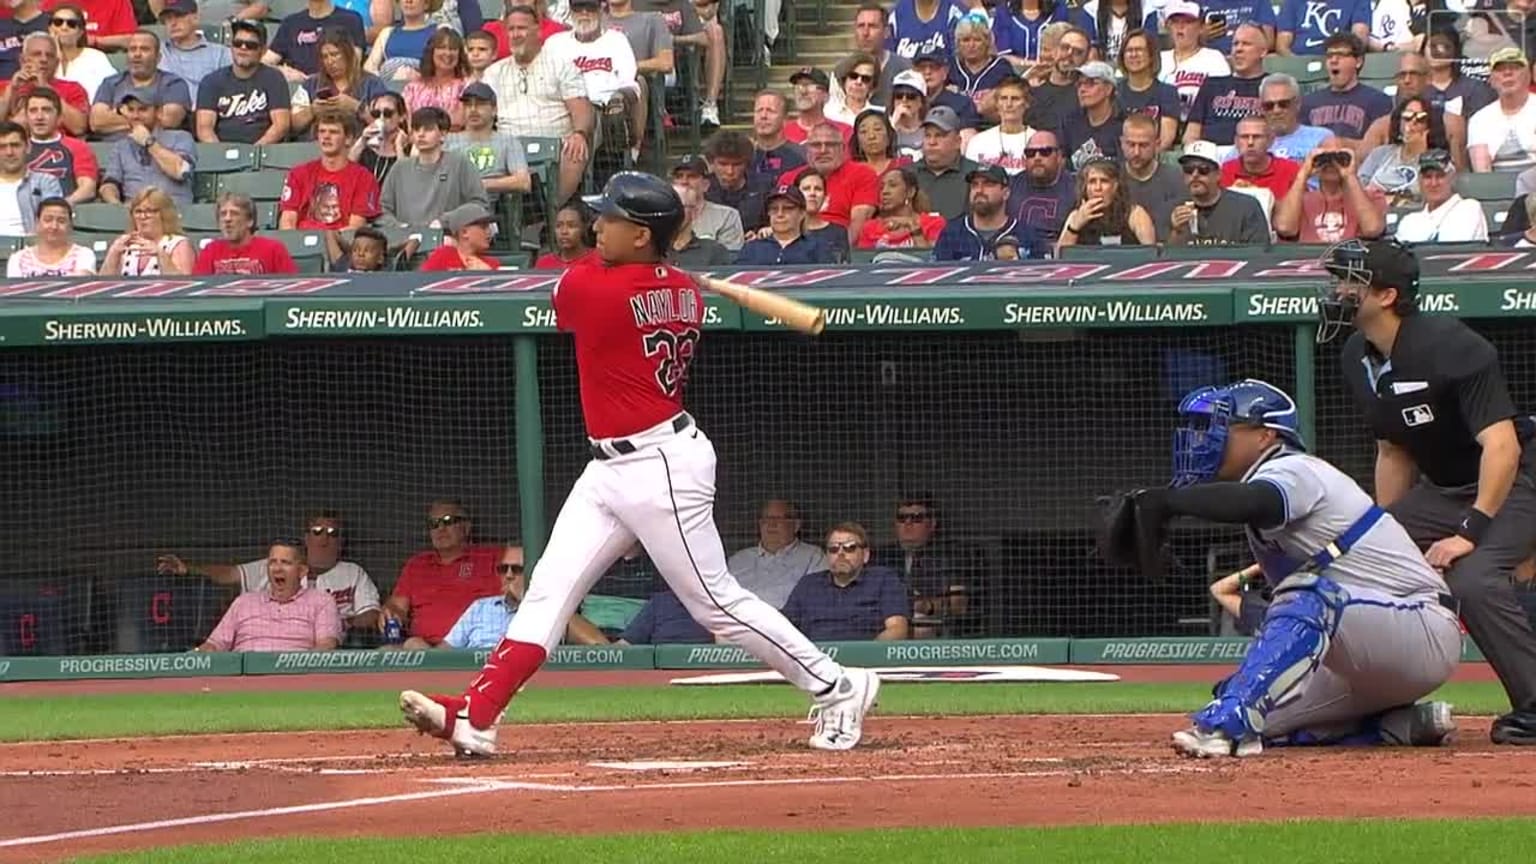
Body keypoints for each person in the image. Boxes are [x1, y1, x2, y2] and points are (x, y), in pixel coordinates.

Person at [398, 172, 880, 757]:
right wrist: (660, 269)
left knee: (716, 602)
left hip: (660, 465)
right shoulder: (685, 290)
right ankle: (477, 714)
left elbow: (572, 289)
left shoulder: (595, 289)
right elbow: (644, 281)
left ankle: (838, 684)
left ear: (644, 236)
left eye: (611, 220)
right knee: (548, 589)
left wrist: (649, 269)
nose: (596, 227)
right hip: (611, 465)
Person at [1132, 379, 1460, 758]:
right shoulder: (1267, 477)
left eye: (1222, 427)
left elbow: (1258, 502)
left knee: (1306, 594)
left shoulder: (1297, 468)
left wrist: (1170, 502)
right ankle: (1394, 726)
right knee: (1246, 694)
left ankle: (1228, 727)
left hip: (1419, 628)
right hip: (1356, 652)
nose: (1205, 439)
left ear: (1266, 435)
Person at [1319, 238, 1536, 746]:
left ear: (1387, 294)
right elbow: (1393, 453)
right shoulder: (1357, 354)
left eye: (1350, 281)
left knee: (1475, 579)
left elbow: (1501, 446)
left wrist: (1469, 533)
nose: (1337, 290)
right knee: (1354, 558)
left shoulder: (1451, 345)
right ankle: (1366, 700)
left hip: (1518, 473)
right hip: (1446, 487)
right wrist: (1381, 538)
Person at [154, 509, 380, 633]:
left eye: (332, 532)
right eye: (317, 530)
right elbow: (229, 574)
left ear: (341, 542)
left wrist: (338, 623)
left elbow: (371, 614)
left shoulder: (353, 572)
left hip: (333, 642)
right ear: (306, 537)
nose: (324, 538)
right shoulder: (277, 565)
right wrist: (188, 568)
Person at [440, 546, 609, 649]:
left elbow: (601, 647)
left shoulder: (549, 609)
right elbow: (444, 652)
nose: (508, 575)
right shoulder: (480, 607)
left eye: (516, 569)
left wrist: (528, 600)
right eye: (503, 569)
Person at [195, 540, 343, 653]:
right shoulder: (244, 602)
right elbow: (215, 644)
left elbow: (326, 646)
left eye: (285, 563)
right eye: (273, 562)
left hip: (295, 678)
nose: (277, 568)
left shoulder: (321, 601)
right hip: (244, 679)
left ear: (302, 571)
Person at [378, 105, 486, 228]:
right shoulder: (400, 168)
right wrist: (400, 227)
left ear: (443, 134)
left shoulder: (459, 163)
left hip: (447, 238)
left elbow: (479, 206)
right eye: (416, 129)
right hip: (405, 241)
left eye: (428, 129)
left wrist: (444, 222)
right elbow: (382, 210)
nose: (421, 134)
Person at [279, 109, 380, 230]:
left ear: (348, 139)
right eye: (322, 131)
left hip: (341, 244)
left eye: (333, 132)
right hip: (302, 243)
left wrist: (328, 240)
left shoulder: (364, 178)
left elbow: (355, 226)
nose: (326, 136)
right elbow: (287, 220)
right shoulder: (298, 174)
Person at [195, 20, 291, 144]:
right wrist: (221, 154)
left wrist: (254, 153)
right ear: (231, 47)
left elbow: (281, 126)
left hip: (263, 152)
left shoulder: (274, 79)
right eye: (238, 43)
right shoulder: (211, 81)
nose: (243, 48)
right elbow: (204, 129)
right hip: (222, 153)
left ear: (263, 50)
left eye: (251, 45)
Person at [1273, 139, 1386, 244]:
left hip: (1350, 261)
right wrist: (1304, 173)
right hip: (1309, 261)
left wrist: (1350, 176)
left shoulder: (1372, 197)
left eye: (1340, 158)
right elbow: (1285, 228)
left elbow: (1372, 230)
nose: (1332, 164)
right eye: (1324, 158)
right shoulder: (1298, 200)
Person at [99, 88, 196, 206]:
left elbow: (181, 171)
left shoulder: (181, 137)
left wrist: (149, 142)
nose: (135, 116)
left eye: (142, 109)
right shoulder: (121, 146)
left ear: (159, 112)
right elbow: (109, 184)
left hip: (173, 211)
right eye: (131, 110)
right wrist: (116, 203)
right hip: (134, 213)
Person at [88, 29, 191, 139]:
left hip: (160, 148)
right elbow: (96, 122)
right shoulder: (110, 83)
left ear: (158, 58)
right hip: (113, 148)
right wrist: (148, 118)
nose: (137, 54)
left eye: (144, 49)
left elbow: (169, 120)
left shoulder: (173, 84)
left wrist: (118, 115)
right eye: (132, 49)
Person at [1168, 139, 1269, 246]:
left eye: (1203, 169)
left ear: (1218, 175)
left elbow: (1259, 254)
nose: (1195, 175)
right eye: (1188, 170)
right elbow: (1162, 257)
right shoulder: (1172, 208)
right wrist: (1177, 232)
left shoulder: (1247, 207)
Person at [290, 27, 387, 136]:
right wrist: (313, 110)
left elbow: (385, 126)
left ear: (348, 53)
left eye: (335, 54)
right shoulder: (310, 85)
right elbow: (292, 125)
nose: (330, 61)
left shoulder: (372, 84)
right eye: (325, 57)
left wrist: (357, 108)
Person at [932, 163, 1041, 260]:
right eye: (975, 185)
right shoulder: (952, 234)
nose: (979, 190)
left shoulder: (1027, 235)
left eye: (988, 184)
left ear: (1006, 193)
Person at [1358, 97, 1449, 208]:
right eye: (1407, 117)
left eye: (1421, 118)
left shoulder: (1439, 159)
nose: (1413, 123)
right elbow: (1358, 191)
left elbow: (1436, 197)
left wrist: (1421, 149)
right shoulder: (1380, 153)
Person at [1055, 156, 1154, 254]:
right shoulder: (1075, 216)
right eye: (1092, 182)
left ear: (1115, 186)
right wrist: (1075, 227)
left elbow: (1153, 254)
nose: (1098, 188)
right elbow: (1059, 257)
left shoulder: (1135, 214)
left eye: (1104, 181)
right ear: (1085, 187)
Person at [1, 32, 88, 136]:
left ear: (56, 63)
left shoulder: (73, 88)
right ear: (22, 60)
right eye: (37, 54)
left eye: (49, 55)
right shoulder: (5, 87)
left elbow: (79, 128)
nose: (44, 59)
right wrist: (11, 90)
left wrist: (45, 87)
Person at [1392, 150, 1487, 244]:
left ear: (1452, 177)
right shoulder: (1409, 222)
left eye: (1440, 176)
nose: (1433, 183)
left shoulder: (1468, 209)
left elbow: (1453, 251)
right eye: (1428, 177)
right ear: (1420, 181)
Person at [23, 87, 96, 204]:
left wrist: (60, 205)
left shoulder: (77, 147)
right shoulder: (15, 148)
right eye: (33, 111)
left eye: (46, 110)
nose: (39, 117)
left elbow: (87, 189)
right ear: (26, 117)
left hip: (61, 213)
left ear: (59, 117)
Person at [194, 192, 298, 274]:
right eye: (223, 214)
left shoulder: (273, 249)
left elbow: (293, 289)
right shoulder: (210, 251)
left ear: (250, 221)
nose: (227, 219)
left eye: (234, 213)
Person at [264, 0, 367, 81]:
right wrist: (281, 72)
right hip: (296, 91)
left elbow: (353, 63)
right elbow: (264, 62)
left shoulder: (351, 19)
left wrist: (309, 80)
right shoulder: (290, 23)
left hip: (336, 90)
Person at [99, 187, 195, 275]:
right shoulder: (125, 245)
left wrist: (161, 255)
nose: (143, 217)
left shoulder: (178, 244)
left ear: (164, 214)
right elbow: (101, 285)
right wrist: (113, 253)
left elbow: (184, 284)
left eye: (149, 211)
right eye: (138, 211)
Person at [735, 183, 833, 265]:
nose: (780, 214)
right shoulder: (752, 249)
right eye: (774, 209)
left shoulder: (818, 248)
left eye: (788, 208)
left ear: (802, 213)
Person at [157, 0, 230, 104]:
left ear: (195, 18)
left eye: (179, 16)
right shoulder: (157, 51)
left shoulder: (220, 53)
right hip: (168, 112)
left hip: (207, 112)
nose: (173, 23)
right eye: (168, 19)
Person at [856, 165, 943, 249]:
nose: (885, 192)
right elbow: (863, 261)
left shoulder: (933, 223)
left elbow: (932, 261)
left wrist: (915, 231)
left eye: (892, 185)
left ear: (910, 192)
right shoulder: (870, 228)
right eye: (882, 187)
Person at [0, 119, 62, 236]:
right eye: (2, 147)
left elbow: (53, 223)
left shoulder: (46, 182)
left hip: (30, 248)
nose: (9, 152)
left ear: (28, 147)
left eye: (15, 145)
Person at [400, 28, 472, 127]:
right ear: (431, 52)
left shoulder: (467, 86)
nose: (448, 53)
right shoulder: (413, 88)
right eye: (442, 47)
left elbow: (461, 120)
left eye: (453, 49)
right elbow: (404, 121)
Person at [6, 195, 93, 276]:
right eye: (48, 220)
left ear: (70, 225)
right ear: (37, 222)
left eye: (61, 221)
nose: (54, 226)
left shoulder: (83, 255)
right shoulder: (18, 259)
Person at [51, 5, 116, 105]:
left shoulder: (96, 57)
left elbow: (112, 89)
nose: (64, 27)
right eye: (58, 22)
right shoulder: (43, 59)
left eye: (71, 24)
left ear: (80, 32)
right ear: (50, 28)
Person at [364, 0, 438, 82]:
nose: (408, 1)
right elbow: (369, 69)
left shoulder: (438, 31)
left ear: (426, 4)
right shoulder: (387, 33)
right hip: (390, 88)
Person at [419, 201, 500, 270]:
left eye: (488, 227)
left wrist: (487, 273)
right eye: (483, 227)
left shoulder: (492, 264)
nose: (489, 232)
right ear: (464, 232)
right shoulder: (443, 257)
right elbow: (421, 283)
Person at [795, 168, 849, 262]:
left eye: (818, 189)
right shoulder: (785, 230)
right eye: (806, 189)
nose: (812, 193)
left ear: (824, 197)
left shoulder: (838, 232)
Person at [535, 203, 595, 268]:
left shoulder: (598, 260)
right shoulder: (544, 263)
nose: (564, 231)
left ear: (584, 227)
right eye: (558, 226)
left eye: (571, 226)